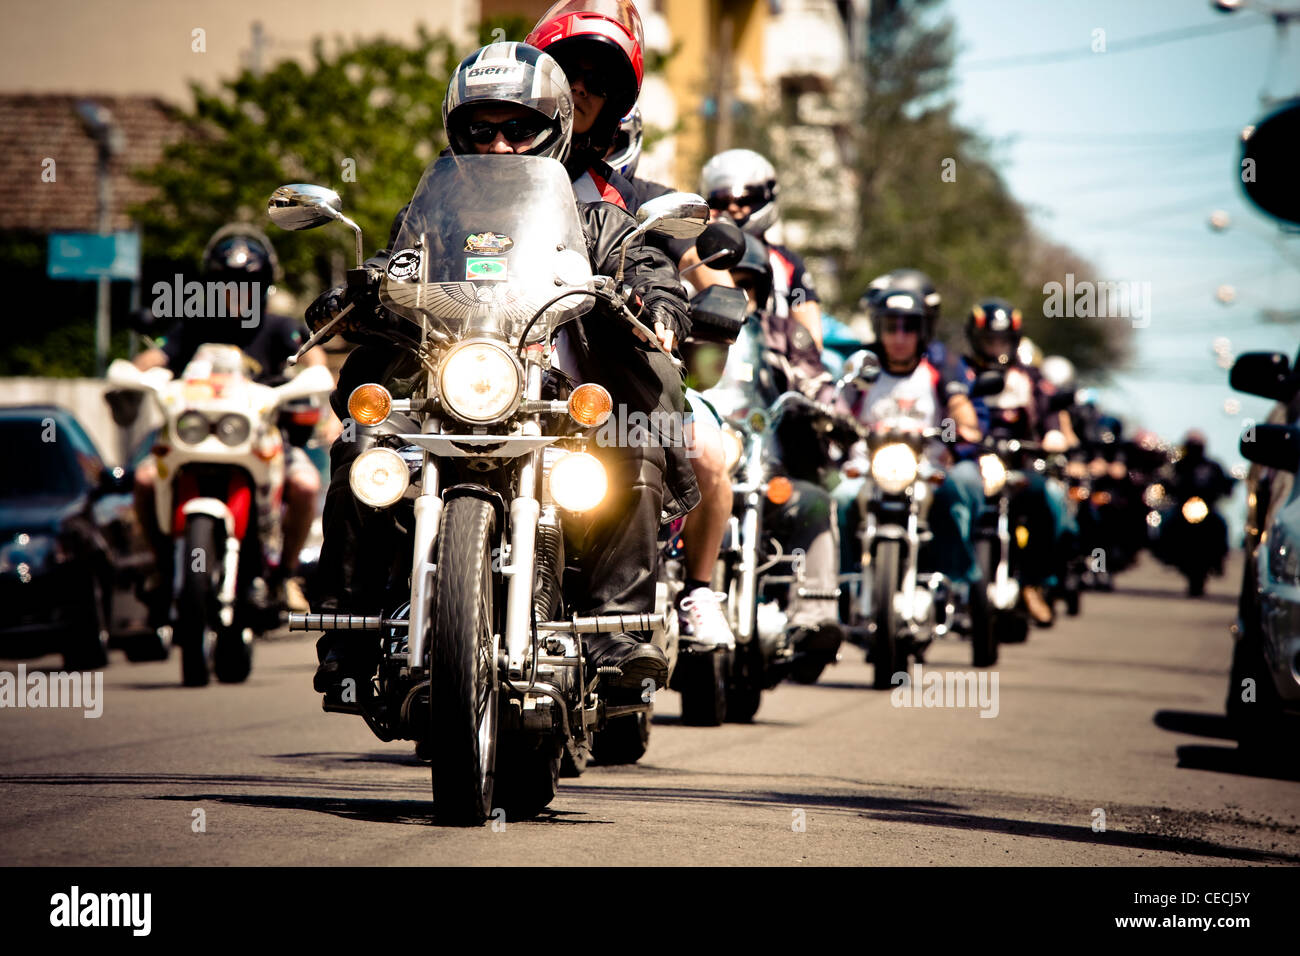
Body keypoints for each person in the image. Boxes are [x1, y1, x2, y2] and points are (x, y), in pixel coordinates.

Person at [306, 42, 694, 696]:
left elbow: (644, 265)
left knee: (632, 445)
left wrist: (655, 301)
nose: (500, 145)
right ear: (457, 134)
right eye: (480, 130)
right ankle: (350, 625)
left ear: (555, 130)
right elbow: (392, 260)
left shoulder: (596, 219)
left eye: (520, 128)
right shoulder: (432, 218)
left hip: (559, 403)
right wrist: (356, 291)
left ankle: (613, 632)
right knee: (364, 446)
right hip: (454, 391)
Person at [132, 225, 330, 613]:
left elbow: (314, 357)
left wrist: (318, 379)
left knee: (306, 485)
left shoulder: (281, 327)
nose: (236, 293)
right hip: (192, 435)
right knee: (142, 480)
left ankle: (285, 575)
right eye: (225, 283)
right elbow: (156, 357)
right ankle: (160, 566)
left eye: (248, 284)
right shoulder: (194, 324)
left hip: (263, 436)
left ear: (265, 286)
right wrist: (133, 375)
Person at [833, 272, 985, 617]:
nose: (899, 336)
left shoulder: (940, 366)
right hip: (867, 468)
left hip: (924, 468)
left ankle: (953, 576)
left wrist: (962, 426)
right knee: (841, 499)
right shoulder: (864, 365)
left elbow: (960, 408)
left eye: (909, 327)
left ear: (923, 330)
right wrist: (835, 420)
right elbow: (838, 406)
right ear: (878, 328)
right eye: (890, 326)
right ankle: (839, 585)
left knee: (955, 494)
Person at [960, 298, 1063, 626]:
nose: (995, 347)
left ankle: (1033, 584)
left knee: (1046, 501)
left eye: (1002, 340)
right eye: (989, 339)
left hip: (1019, 463)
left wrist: (1053, 435)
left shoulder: (1029, 377)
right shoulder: (961, 371)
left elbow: (1049, 414)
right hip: (975, 463)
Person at [698, 148, 825, 349]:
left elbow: (810, 339)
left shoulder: (788, 265)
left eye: (743, 199)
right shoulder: (695, 255)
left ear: (763, 198)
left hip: (769, 367)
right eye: (721, 201)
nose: (732, 208)